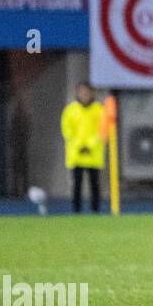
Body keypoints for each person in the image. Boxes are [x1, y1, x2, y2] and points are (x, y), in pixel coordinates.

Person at [61, 82, 104, 214]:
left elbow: (102, 130)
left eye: (86, 92)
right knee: (77, 184)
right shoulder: (70, 110)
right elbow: (67, 130)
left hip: (94, 154)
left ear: (92, 93)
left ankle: (95, 210)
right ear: (77, 93)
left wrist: (90, 144)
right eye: (81, 92)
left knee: (95, 184)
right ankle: (76, 211)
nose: (84, 95)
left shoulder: (99, 110)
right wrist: (79, 145)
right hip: (76, 154)